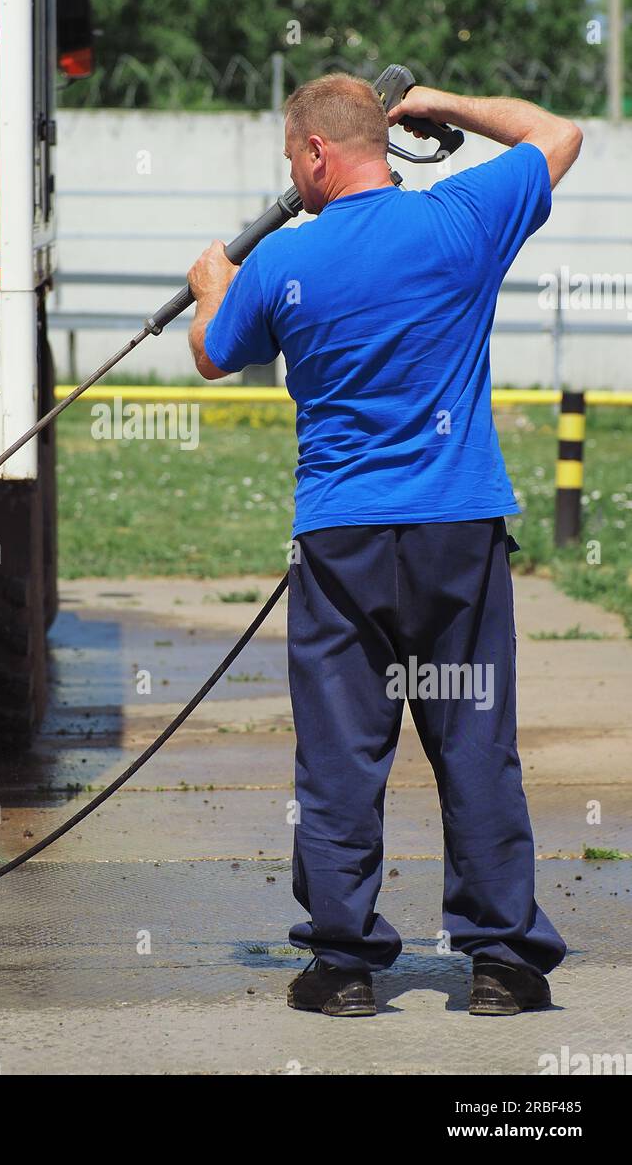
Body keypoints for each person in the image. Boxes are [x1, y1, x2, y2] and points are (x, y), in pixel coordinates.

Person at [187, 73, 582, 1016]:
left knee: (340, 754)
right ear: (384, 134)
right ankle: (501, 963)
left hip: (341, 541)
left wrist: (212, 288)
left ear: (316, 155)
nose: (294, 174)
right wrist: (444, 104)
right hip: (458, 531)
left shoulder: (288, 263)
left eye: (294, 157)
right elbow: (557, 132)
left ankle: (346, 968)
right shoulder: (461, 220)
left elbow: (210, 352)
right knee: (476, 742)